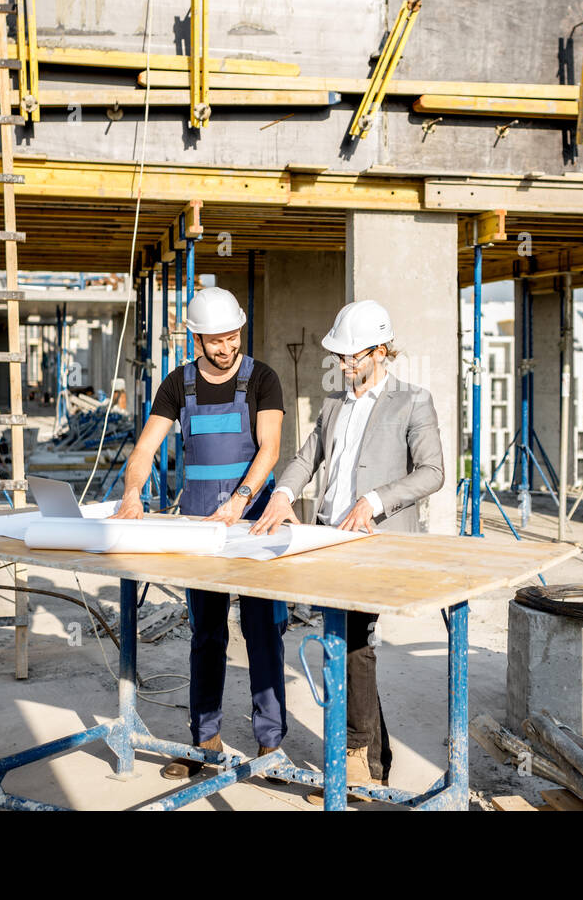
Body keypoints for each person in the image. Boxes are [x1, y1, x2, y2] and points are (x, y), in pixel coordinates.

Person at [250, 299, 445, 798]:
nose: (344, 365)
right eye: (340, 357)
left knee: (352, 641)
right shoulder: (335, 401)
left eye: (352, 356)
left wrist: (375, 500)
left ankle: (356, 758)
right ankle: (375, 762)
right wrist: (283, 493)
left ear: (380, 350)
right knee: (348, 640)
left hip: (375, 544)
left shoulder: (413, 400)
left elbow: (432, 472)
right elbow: (305, 456)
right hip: (328, 539)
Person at [111, 285, 288, 779]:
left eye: (232, 337)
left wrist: (240, 501)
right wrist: (132, 493)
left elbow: (270, 449)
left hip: (253, 523)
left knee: (262, 632)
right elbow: (146, 448)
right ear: (197, 339)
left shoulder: (263, 380)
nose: (225, 347)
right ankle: (203, 740)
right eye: (214, 340)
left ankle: (270, 746)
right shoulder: (177, 385)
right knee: (206, 633)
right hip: (198, 527)